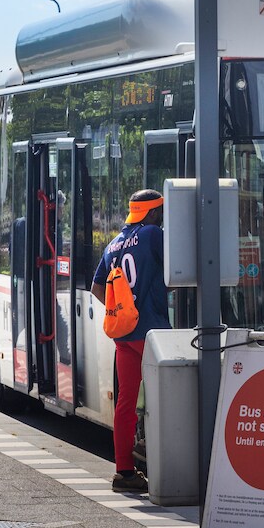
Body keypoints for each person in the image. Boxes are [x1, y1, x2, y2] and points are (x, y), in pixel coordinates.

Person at [91, 189, 170, 493]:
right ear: (152, 213)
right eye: (160, 212)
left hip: (124, 333)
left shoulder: (113, 245)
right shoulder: (152, 234)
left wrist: (123, 308)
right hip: (153, 333)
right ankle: (167, 465)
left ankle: (124, 471)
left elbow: (97, 288)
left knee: (126, 402)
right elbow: (179, 271)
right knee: (167, 398)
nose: (161, 218)